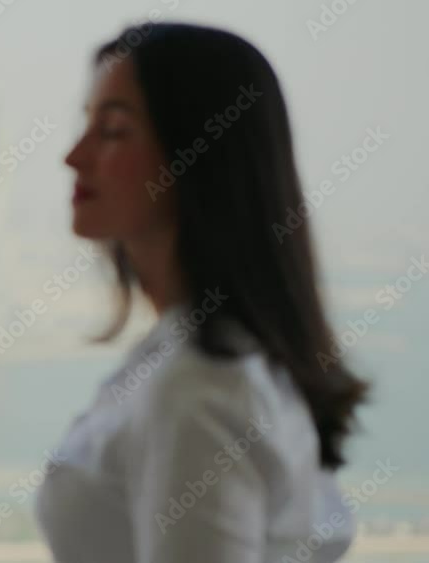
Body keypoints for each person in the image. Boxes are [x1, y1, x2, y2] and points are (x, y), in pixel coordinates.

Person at [34, 22, 370, 563]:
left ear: (196, 156)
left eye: (114, 131)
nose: (74, 156)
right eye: (86, 125)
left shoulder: (196, 391)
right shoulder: (197, 358)